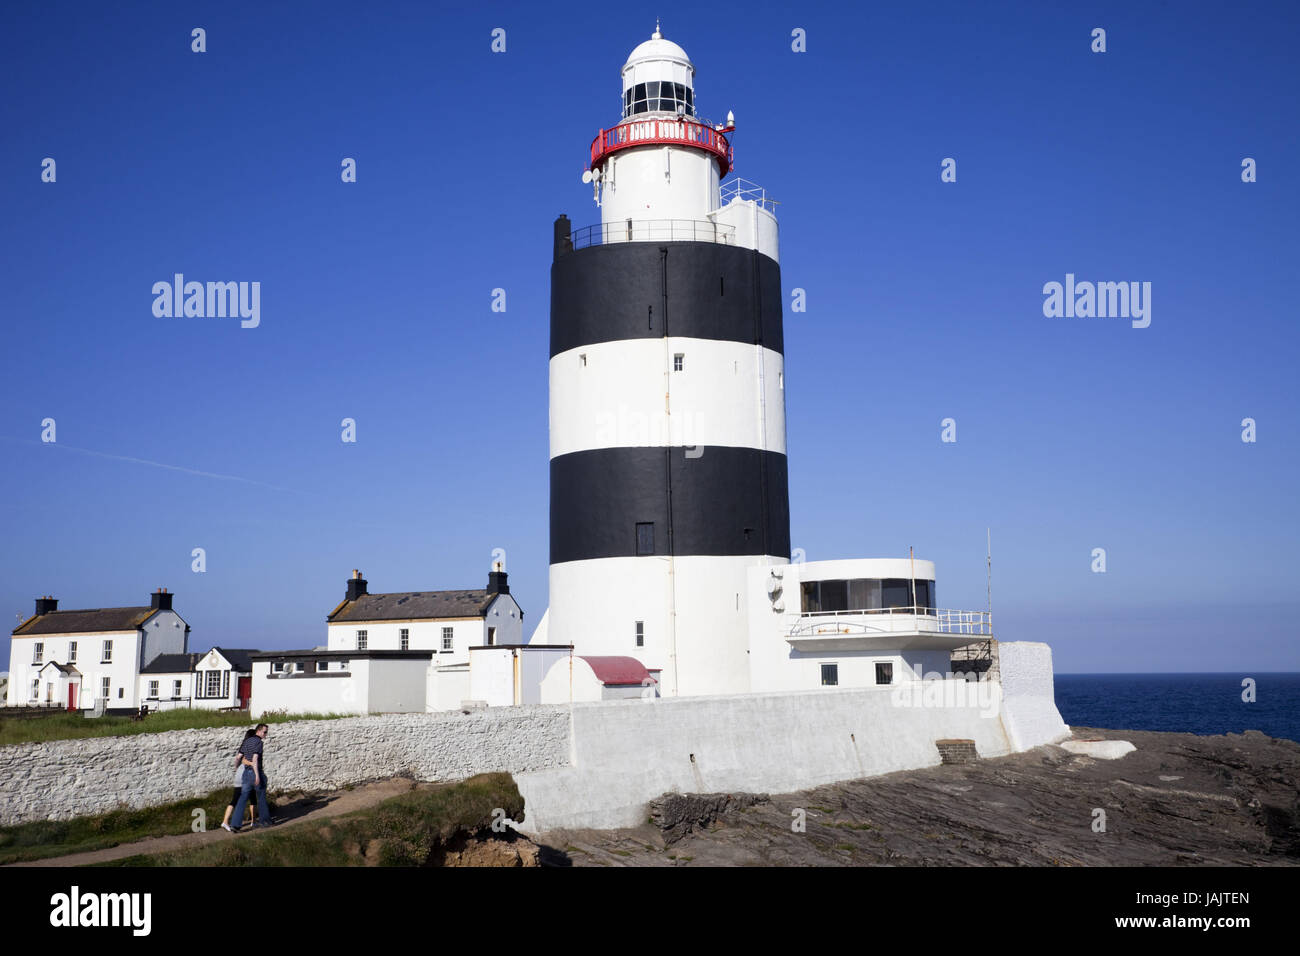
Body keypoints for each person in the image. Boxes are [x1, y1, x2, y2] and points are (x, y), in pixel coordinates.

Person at [229, 723, 274, 832]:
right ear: (258, 731)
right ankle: (265, 821)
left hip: (246, 773)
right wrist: (257, 775)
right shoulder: (259, 743)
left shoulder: (246, 741)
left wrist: (236, 768)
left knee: (243, 798)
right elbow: (255, 759)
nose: (266, 734)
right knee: (261, 797)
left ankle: (235, 824)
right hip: (255, 772)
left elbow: (238, 757)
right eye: (265, 732)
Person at [220, 730, 258, 832]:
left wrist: (237, 768)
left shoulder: (243, 746)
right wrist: (253, 765)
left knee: (235, 800)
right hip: (247, 775)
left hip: (239, 774)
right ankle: (253, 822)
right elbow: (246, 760)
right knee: (253, 799)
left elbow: (238, 759)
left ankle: (225, 821)